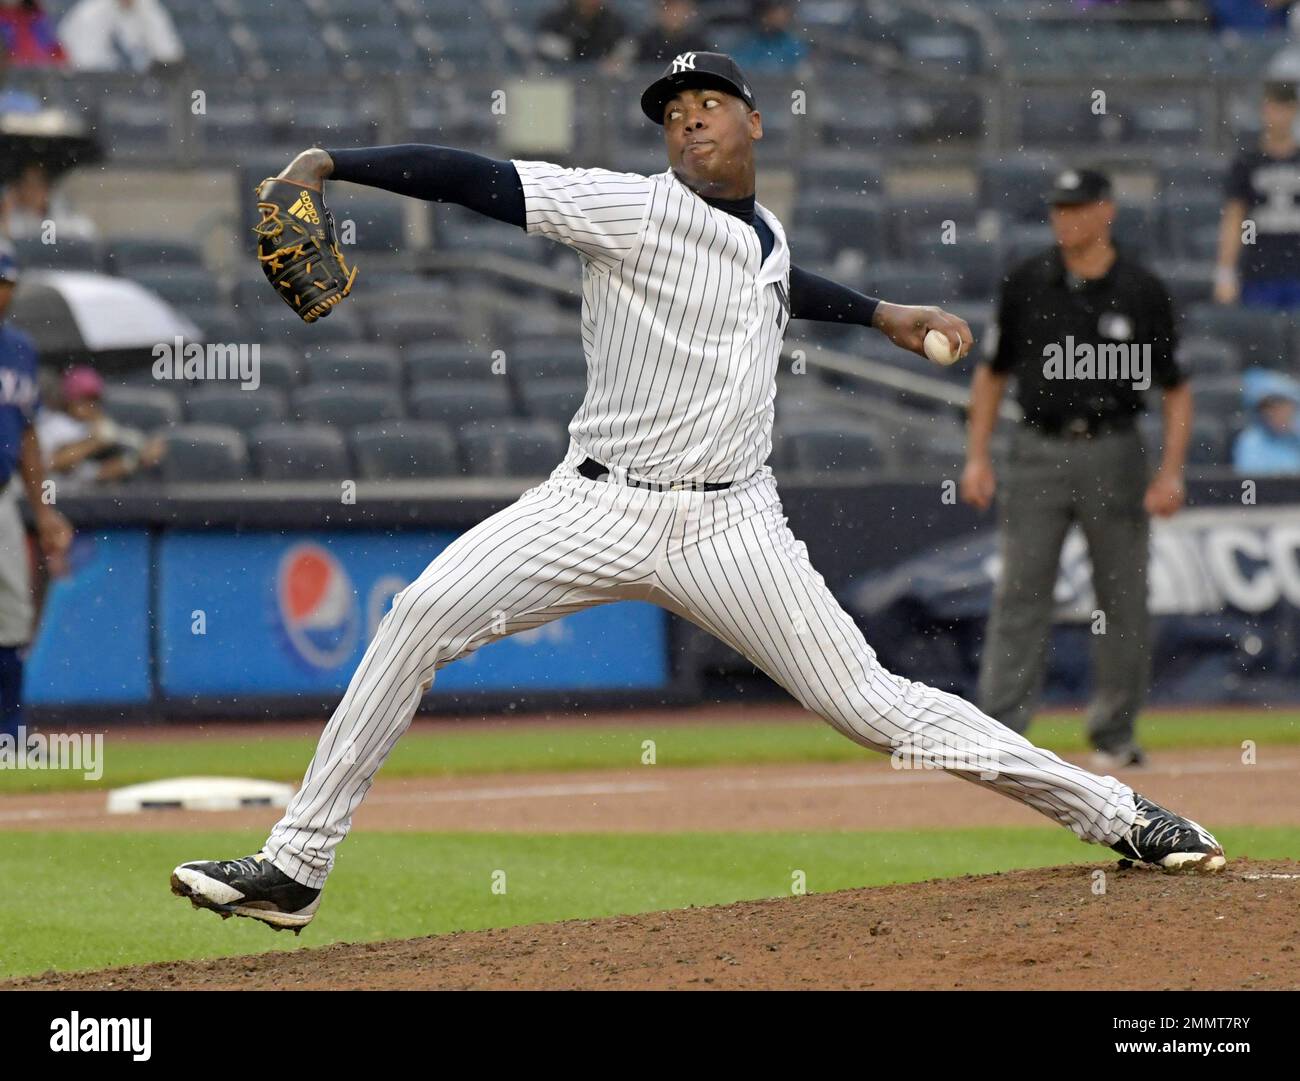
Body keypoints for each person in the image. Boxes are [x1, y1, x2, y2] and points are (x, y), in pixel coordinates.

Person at [171, 53, 1225, 934]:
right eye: (673, 114)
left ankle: (1117, 812)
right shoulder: (626, 208)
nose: (689, 124)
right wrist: (332, 165)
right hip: (591, 505)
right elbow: (474, 178)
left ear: (754, 121)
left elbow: (768, 279)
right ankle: (296, 865)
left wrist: (877, 314)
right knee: (417, 621)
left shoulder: (767, 234)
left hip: (731, 522)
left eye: (707, 106)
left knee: (872, 706)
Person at [961, 168, 1190, 773]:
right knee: (1021, 590)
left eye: (1078, 207)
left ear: (1106, 211)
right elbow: (992, 373)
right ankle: (1002, 731)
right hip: (1037, 447)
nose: (1065, 219)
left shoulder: (1141, 288)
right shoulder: (1027, 281)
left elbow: (1175, 388)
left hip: (1115, 449)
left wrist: (1171, 472)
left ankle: (1114, 732)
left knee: (1122, 594)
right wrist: (977, 456)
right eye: (1059, 208)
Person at [0, 244, 72, 742]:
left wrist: (43, 511)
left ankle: (10, 736)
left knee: (11, 616)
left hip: (2, 494)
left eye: (6, 282)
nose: (1, 291)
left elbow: (26, 434)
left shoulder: (20, 348)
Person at [1216, 80, 1300, 310]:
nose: (1278, 116)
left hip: (1297, 268)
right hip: (1259, 268)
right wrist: (1225, 272)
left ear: (1294, 110)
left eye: (1285, 108)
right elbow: (1235, 217)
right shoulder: (1248, 162)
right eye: (1273, 108)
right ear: (1264, 110)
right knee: (1259, 339)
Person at [35, 365, 165, 487]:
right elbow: (51, 463)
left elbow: (98, 473)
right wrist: (94, 443)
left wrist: (137, 460)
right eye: (83, 399)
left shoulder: (93, 427)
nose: (90, 406)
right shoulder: (52, 425)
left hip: (78, 500)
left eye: (94, 400)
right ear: (69, 400)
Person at [57, 0, 182, 74]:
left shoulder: (150, 10)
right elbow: (87, 67)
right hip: (88, 91)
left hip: (136, 92)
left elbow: (170, 56)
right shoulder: (91, 12)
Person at [1233, 367, 1300, 473]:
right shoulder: (1250, 441)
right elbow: (1250, 483)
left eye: (1282, 406)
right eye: (1269, 408)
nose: (1277, 413)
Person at [535, 0, 634, 70]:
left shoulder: (615, 22)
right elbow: (544, 49)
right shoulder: (555, 20)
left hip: (605, 82)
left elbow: (626, 47)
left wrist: (616, 59)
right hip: (561, 82)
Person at [730, 0, 807, 72]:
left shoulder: (795, 47)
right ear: (762, 15)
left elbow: (802, 71)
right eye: (772, 13)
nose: (777, 18)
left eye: (780, 14)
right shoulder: (746, 45)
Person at [0, 0, 65, 68]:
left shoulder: (34, 14)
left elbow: (52, 47)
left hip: (41, 70)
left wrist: (61, 63)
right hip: (9, 72)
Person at [635, 0, 703, 63]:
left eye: (678, 10)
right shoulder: (646, 42)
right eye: (669, 9)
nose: (673, 14)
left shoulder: (697, 43)